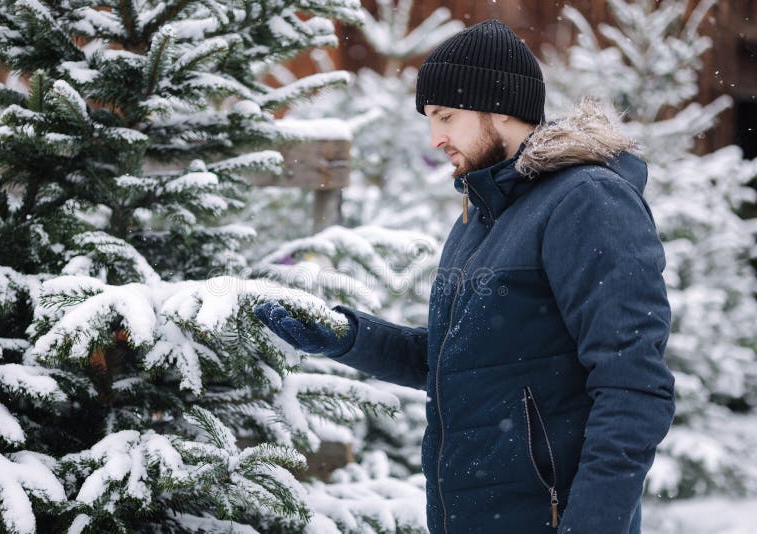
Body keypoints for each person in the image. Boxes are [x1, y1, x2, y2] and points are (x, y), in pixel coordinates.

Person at [253, 19, 674, 534]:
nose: (435, 138)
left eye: (446, 116)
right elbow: (461, 359)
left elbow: (633, 386)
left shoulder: (586, 202)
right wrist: (344, 336)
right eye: (429, 120)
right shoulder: (483, 214)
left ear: (499, 107)